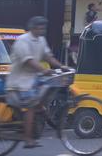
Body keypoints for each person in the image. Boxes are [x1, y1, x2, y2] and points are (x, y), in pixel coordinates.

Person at [8, 16, 64, 148]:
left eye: (43, 27)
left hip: (33, 79)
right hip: (20, 81)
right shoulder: (23, 41)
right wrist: (44, 70)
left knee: (47, 91)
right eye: (40, 27)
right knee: (31, 106)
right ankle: (28, 139)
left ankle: (38, 121)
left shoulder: (41, 40)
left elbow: (48, 57)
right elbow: (29, 61)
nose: (42, 30)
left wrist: (62, 66)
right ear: (33, 28)